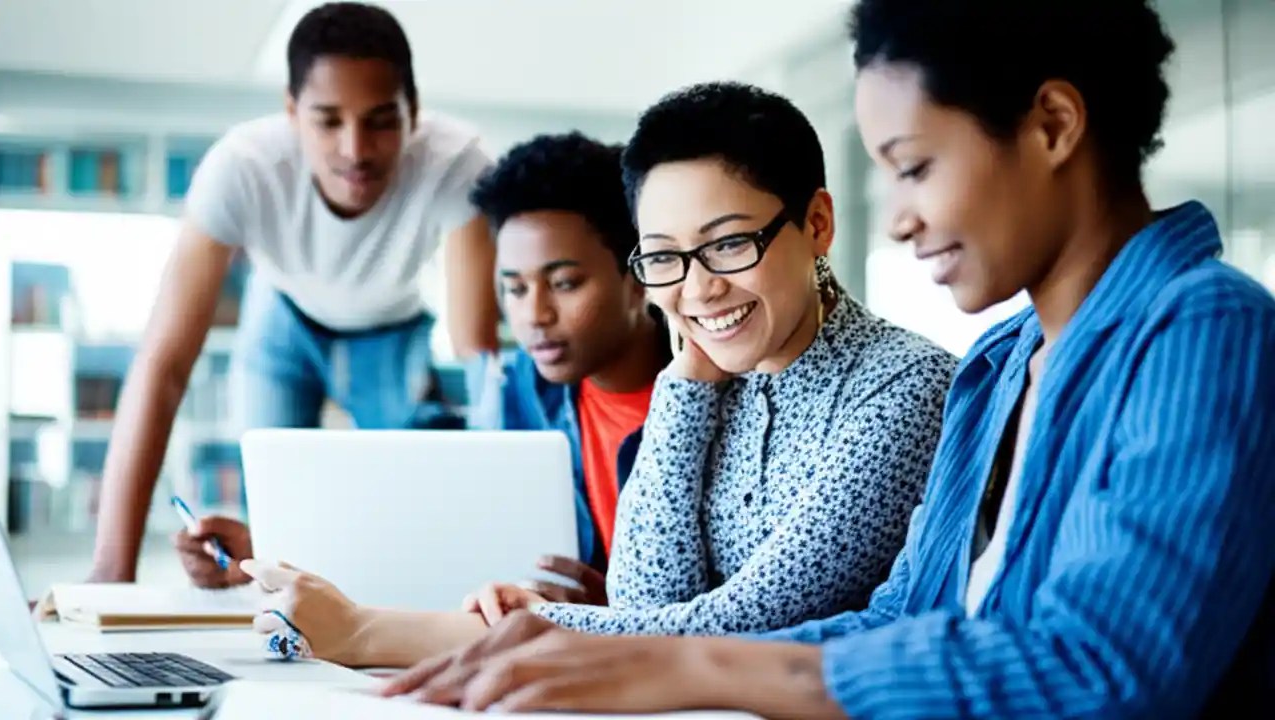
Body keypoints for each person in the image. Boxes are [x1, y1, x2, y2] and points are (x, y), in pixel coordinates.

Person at [377, 1, 1275, 717]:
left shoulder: (1205, 329)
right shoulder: (1001, 365)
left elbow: (1103, 671)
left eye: (915, 167)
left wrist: (685, 667)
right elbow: (903, 618)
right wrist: (649, 658)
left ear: (1051, 124)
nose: (896, 219)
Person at [240, 82, 957, 666]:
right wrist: (689, 380)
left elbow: (742, 628)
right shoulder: (713, 381)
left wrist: (371, 633)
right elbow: (647, 597)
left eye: (729, 244)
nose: (699, 290)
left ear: (819, 225)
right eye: (666, 258)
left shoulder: (904, 389)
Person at [89, 2, 500, 586]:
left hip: (390, 331)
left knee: (408, 500)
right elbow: (165, 364)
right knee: (273, 519)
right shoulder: (241, 167)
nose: (355, 150)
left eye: (382, 120)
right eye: (328, 121)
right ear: (291, 112)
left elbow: (477, 353)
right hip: (282, 323)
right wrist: (111, 573)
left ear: (415, 112)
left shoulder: (458, 164)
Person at [463, 131, 673, 604]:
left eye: (563, 283)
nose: (534, 315)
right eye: (515, 289)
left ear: (639, 277)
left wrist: (617, 610)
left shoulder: (717, 396)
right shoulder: (525, 384)